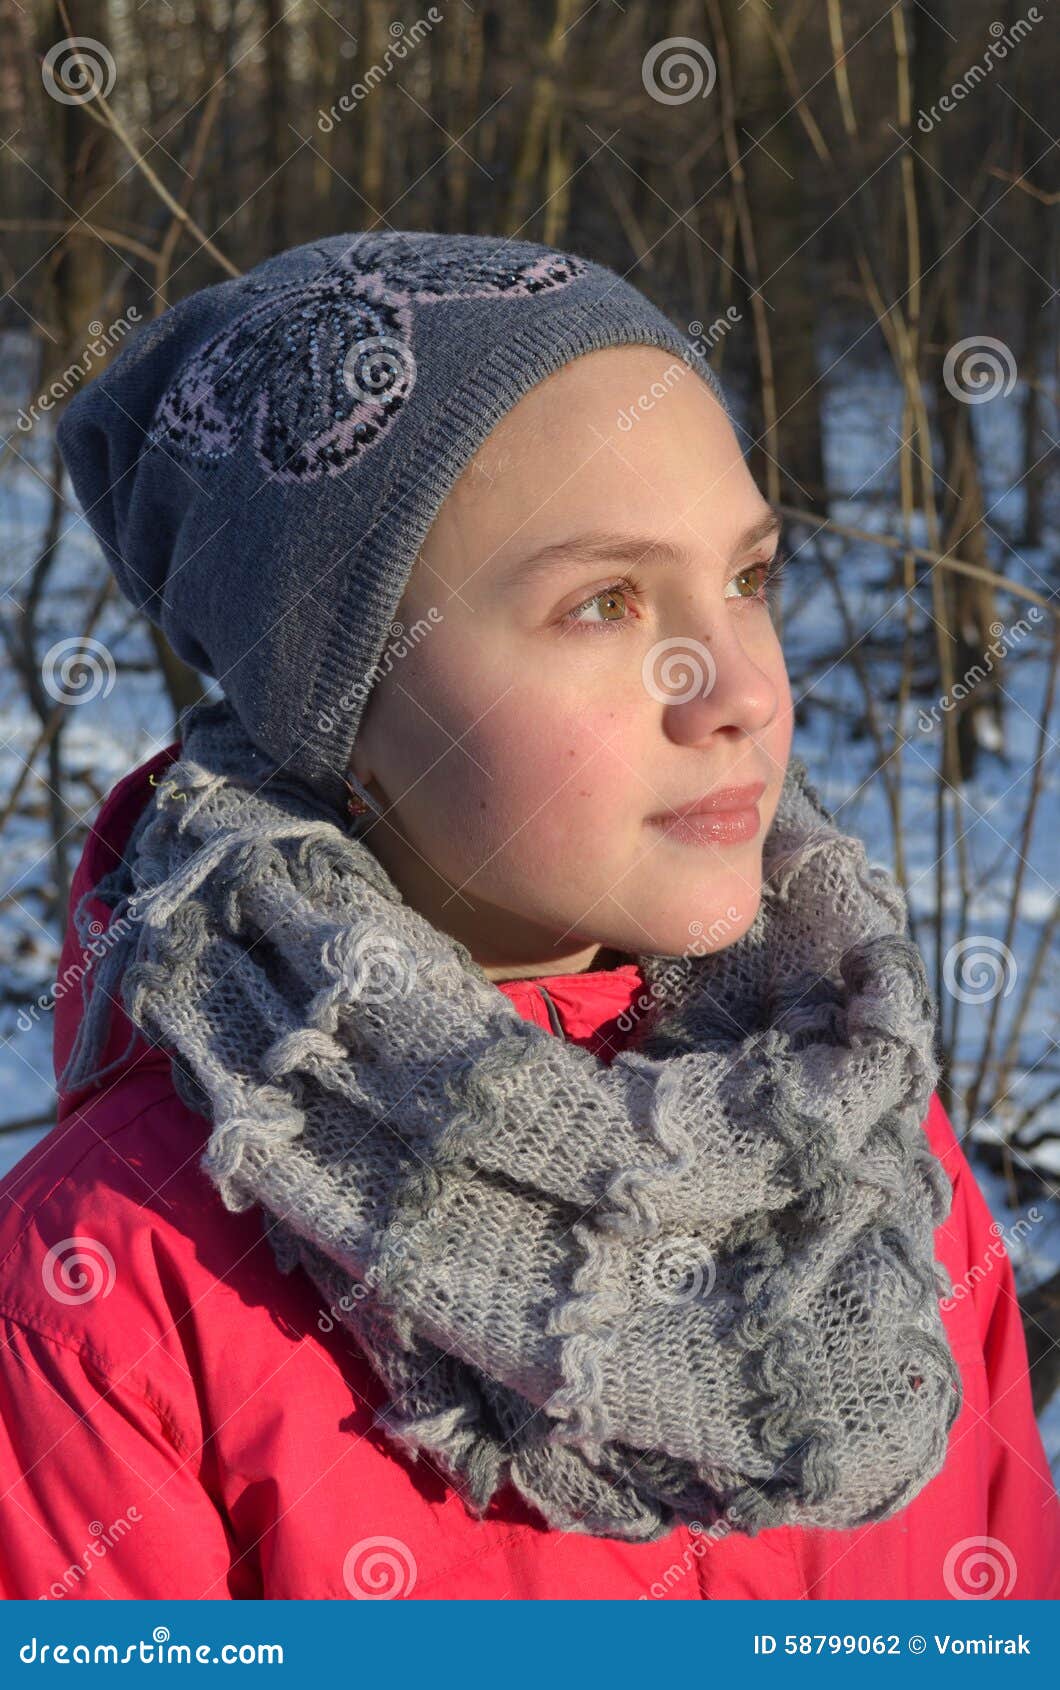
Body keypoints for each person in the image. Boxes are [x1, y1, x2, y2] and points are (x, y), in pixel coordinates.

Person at [0, 232, 1056, 1602]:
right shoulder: (109, 1297)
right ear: (340, 712)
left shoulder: (853, 1122)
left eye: (748, 579)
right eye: (603, 604)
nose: (733, 686)